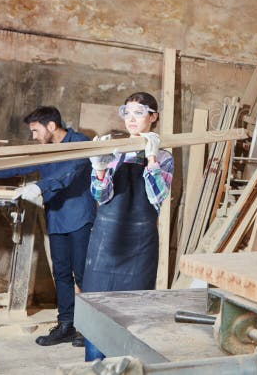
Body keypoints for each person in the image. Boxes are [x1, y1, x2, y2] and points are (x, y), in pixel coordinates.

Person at [0, 106, 95, 347]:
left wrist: (40, 187)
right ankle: (66, 326)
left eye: (35, 131)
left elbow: (70, 172)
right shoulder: (45, 149)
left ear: (51, 126)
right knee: (61, 273)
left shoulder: (80, 142)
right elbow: (20, 165)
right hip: (58, 217)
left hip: (81, 218)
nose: (34, 136)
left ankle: (91, 330)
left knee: (83, 276)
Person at [82, 92, 173, 361]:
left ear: (153, 117)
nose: (131, 119)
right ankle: (94, 366)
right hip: (106, 240)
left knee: (132, 312)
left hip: (140, 243)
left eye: (139, 113)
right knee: (96, 309)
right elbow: (100, 196)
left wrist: (152, 159)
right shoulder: (114, 151)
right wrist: (99, 169)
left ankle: (125, 366)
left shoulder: (164, 154)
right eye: (127, 113)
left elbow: (157, 197)